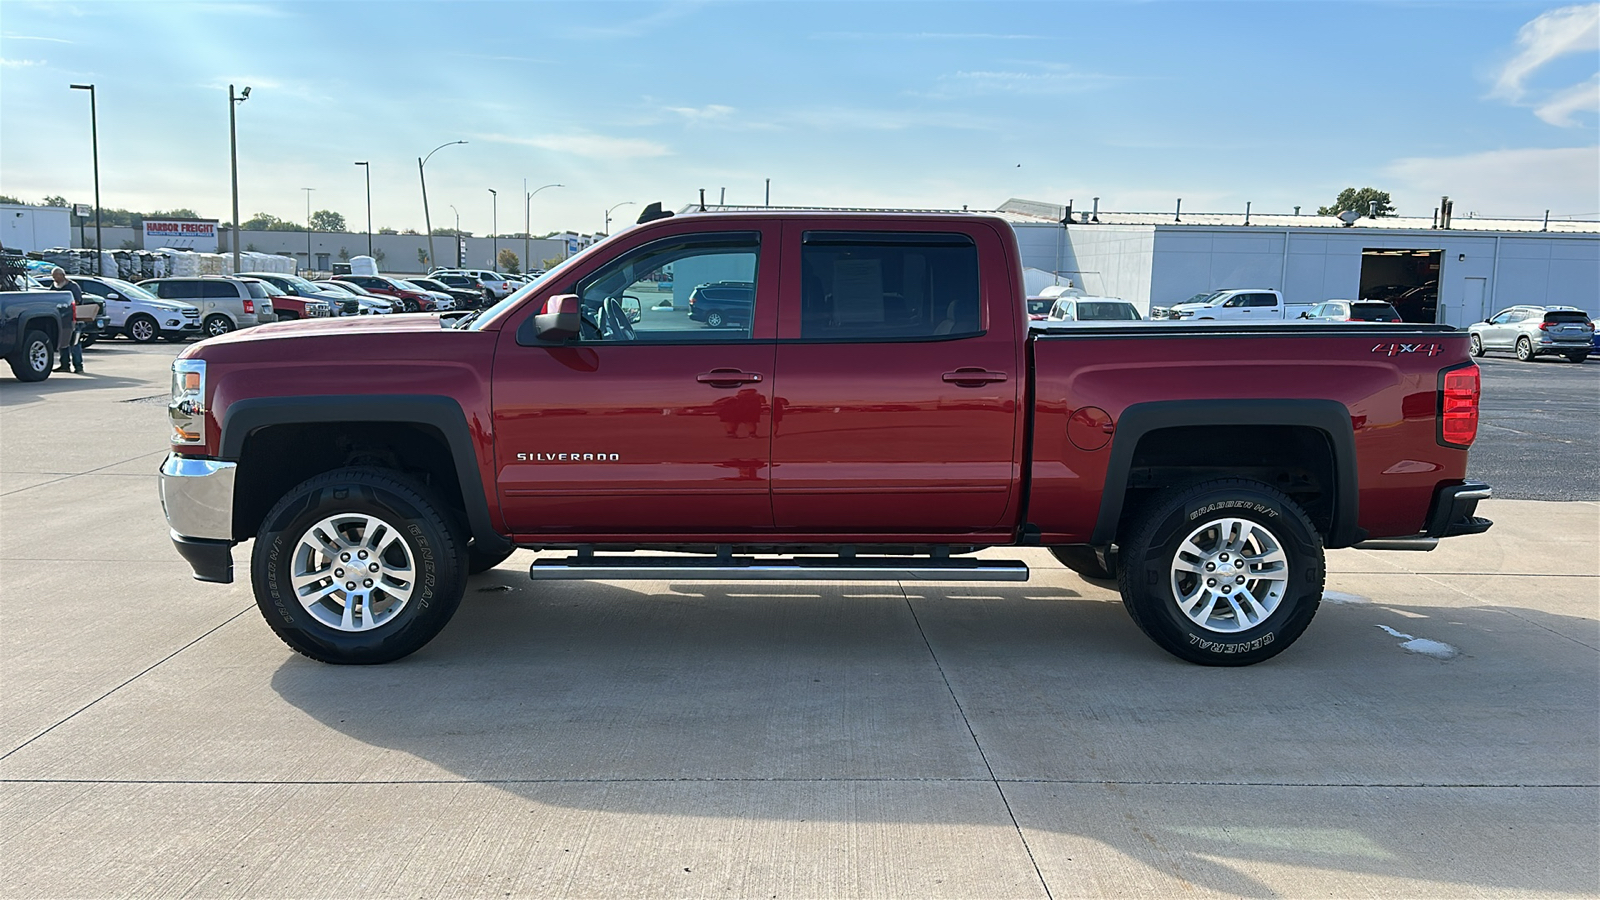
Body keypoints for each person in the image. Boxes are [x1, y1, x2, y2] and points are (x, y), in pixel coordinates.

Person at [48, 267, 85, 374]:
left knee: (75, 343)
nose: (54, 279)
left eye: (56, 276)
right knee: (62, 343)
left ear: (62, 275)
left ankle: (78, 366)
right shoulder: (54, 287)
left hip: (74, 319)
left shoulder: (72, 287)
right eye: (53, 277)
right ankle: (64, 365)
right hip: (61, 320)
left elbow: (77, 301)